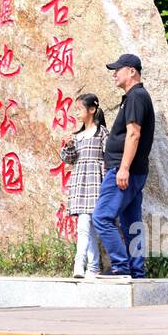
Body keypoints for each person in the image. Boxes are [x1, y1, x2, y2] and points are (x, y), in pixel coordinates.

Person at [90, 54, 155, 278]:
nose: (114, 73)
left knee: (101, 217)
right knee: (131, 224)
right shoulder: (135, 97)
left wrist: (123, 168)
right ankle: (137, 271)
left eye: (118, 69)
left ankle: (121, 266)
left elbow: (134, 133)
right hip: (135, 171)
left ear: (132, 72)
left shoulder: (136, 97)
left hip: (124, 170)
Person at [59, 93, 107, 279]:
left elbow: (109, 156)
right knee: (86, 225)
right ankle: (92, 266)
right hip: (80, 181)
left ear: (92, 110)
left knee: (85, 225)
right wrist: (69, 145)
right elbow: (67, 159)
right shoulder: (77, 136)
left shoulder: (101, 133)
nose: (76, 113)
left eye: (79, 109)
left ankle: (82, 264)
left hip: (95, 181)